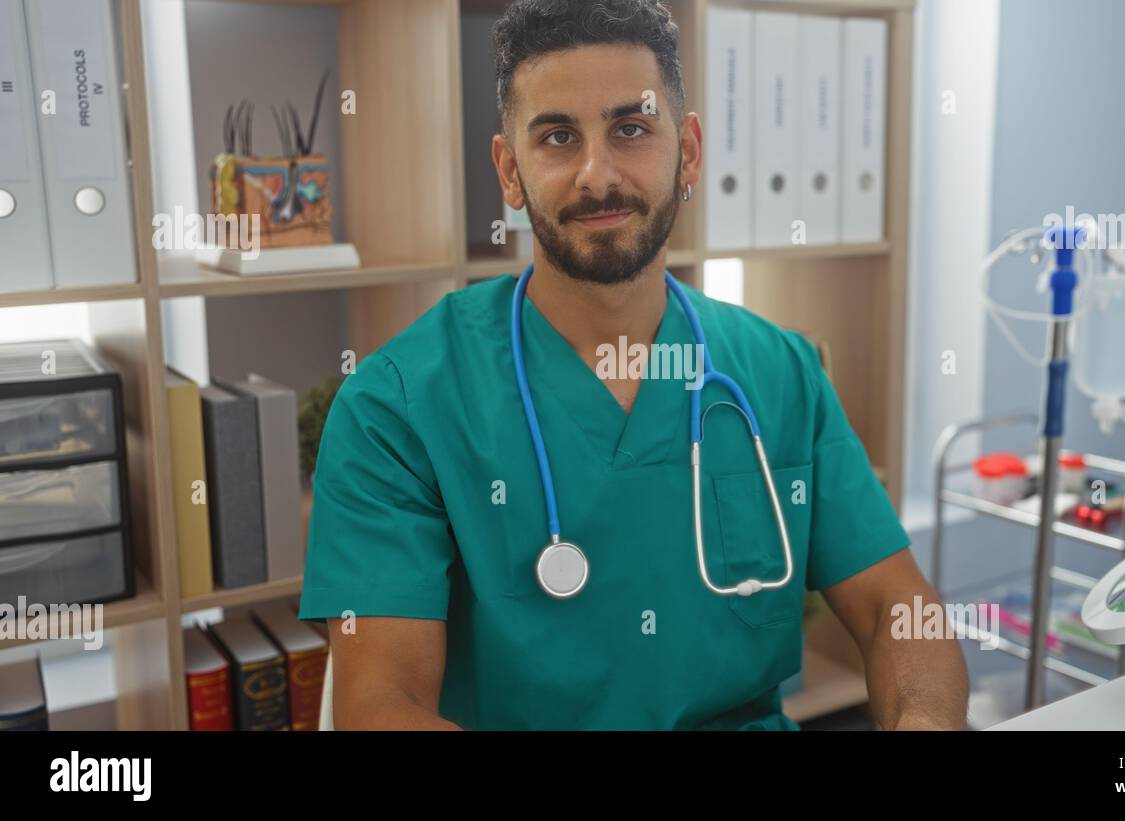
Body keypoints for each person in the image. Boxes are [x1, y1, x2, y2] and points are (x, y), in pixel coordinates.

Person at [299, 0, 968, 730]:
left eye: (630, 128)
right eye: (557, 136)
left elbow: (898, 609)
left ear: (688, 151)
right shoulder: (395, 408)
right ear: (510, 172)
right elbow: (380, 706)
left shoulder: (780, 371)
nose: (598, 173)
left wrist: (925, 720)